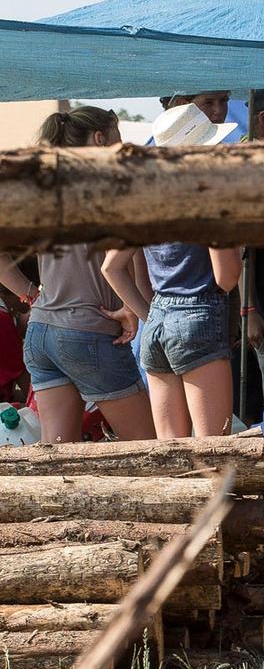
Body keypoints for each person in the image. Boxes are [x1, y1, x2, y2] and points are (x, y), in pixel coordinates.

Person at [0, 109, 155, 443]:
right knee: (148, 446)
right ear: (99, 138)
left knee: (57, 455)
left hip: (41, 330)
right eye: (118, 138)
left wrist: (30, 294)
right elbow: (122, 261)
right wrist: (136, 310)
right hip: (90, 330)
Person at [103, 103, 241, 439]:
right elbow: (226, 277)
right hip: (200, 312)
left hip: (158, 320)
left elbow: (112, 267)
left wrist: (148, 315)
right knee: (212, 449)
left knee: (170, 451)